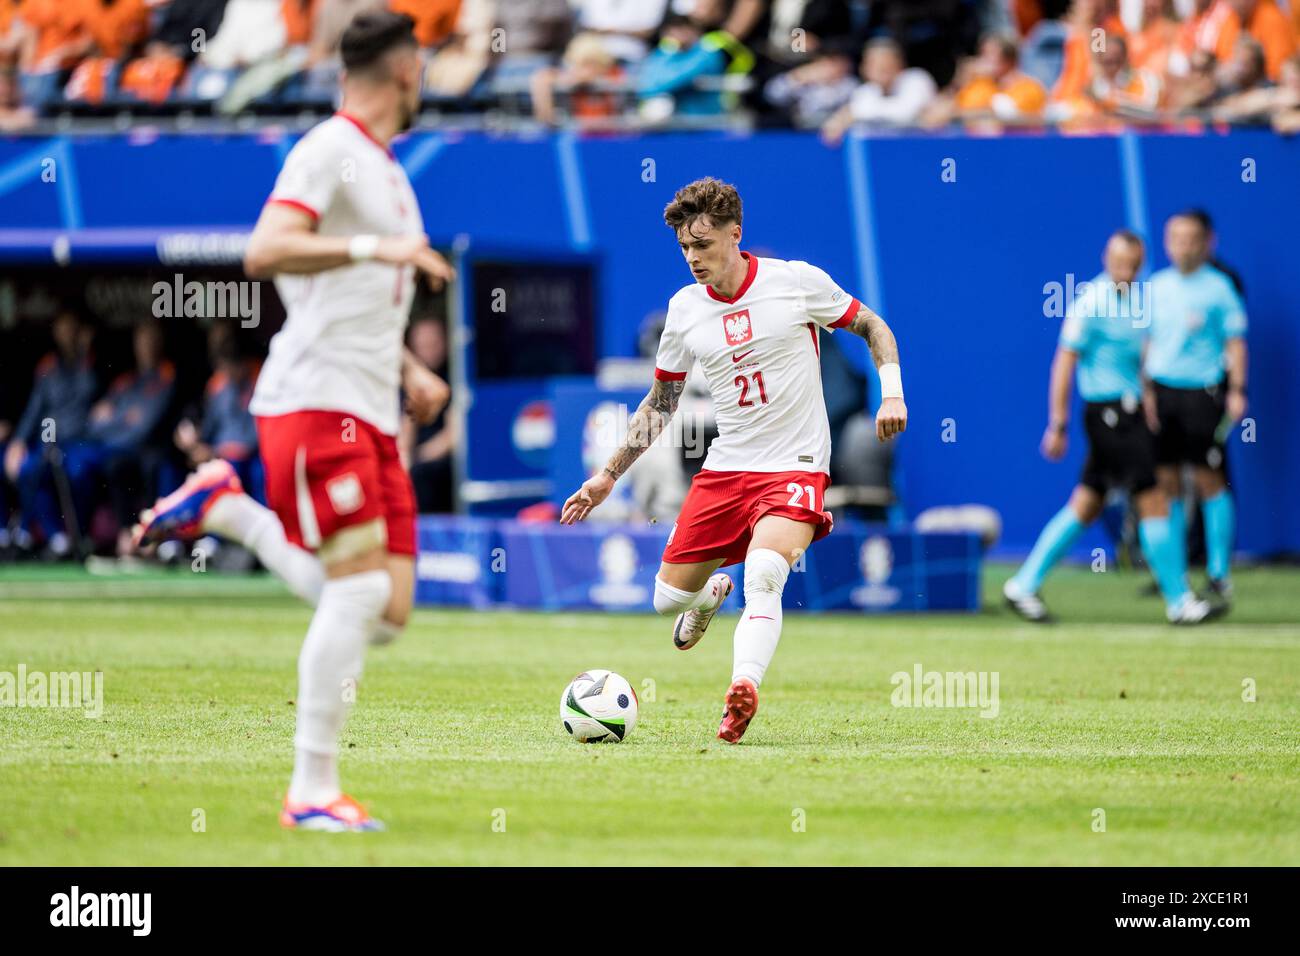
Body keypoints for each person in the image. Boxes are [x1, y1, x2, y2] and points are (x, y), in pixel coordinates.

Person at [134, 12, 452, 832]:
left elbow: (348, 305)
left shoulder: (388, 173)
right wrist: (375, 253)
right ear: (406, 69)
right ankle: (311, 792)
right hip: (315, 401)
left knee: (387, 611)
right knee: (354, 593)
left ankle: (227, 509)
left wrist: (411, 372)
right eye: (424, 63)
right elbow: (265, 250)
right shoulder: (328, 148)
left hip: (370, 405)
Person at [560, 177, 908, 744]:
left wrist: (891, 391)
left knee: (768, 575)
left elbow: (871, 324)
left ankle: (741, 692)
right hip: (727, 468)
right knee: (665, 598)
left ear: (735, 234)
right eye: (684, 248)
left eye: (703, 244)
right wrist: (607, 476)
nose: (693, 258)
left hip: (796, 463)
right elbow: (662, 403)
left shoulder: (795, 283)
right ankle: (708, 596)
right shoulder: (684, 310)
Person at [1004, 231, 1217, 625]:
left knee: (1087, 503)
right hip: (1108, 417)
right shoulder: (1091, 301)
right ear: (1106, 257)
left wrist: (1149, 401)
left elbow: (1141, 363)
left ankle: (1023, 583)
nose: (1126, 270)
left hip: (1132, 414)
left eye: (1133, 264)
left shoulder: (1139, 301)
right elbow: (1063, 363)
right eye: (1119, 262)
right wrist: (1058, 423)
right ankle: (1179, 600)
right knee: (1152, 498)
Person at [1144, 211, 1248, 607]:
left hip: (1203, 395)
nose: (1182, 246)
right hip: (1162, 394)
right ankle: (1176, 572)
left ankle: (1219, 573)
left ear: (1207, 242)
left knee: (1209, 480)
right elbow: (1147, 344)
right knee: (1166, 483)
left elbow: (1236, 343)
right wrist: (1147, 392)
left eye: (1191, 239)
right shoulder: (1155, 286)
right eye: (1175, 238)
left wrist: (1237, 389)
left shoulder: (1221, 288)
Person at [4, 310, 98, 558]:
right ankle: (56, 536)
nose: (67, 334)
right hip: (50, 439)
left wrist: (83, 354)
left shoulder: (90, 362)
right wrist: (18, 441)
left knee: (78, 473)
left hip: (81, 440)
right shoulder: (48, 365)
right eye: (62, 328)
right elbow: (35, 408)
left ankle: (82, 534)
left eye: (72, 328)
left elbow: (88, 391)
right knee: (28, 470)